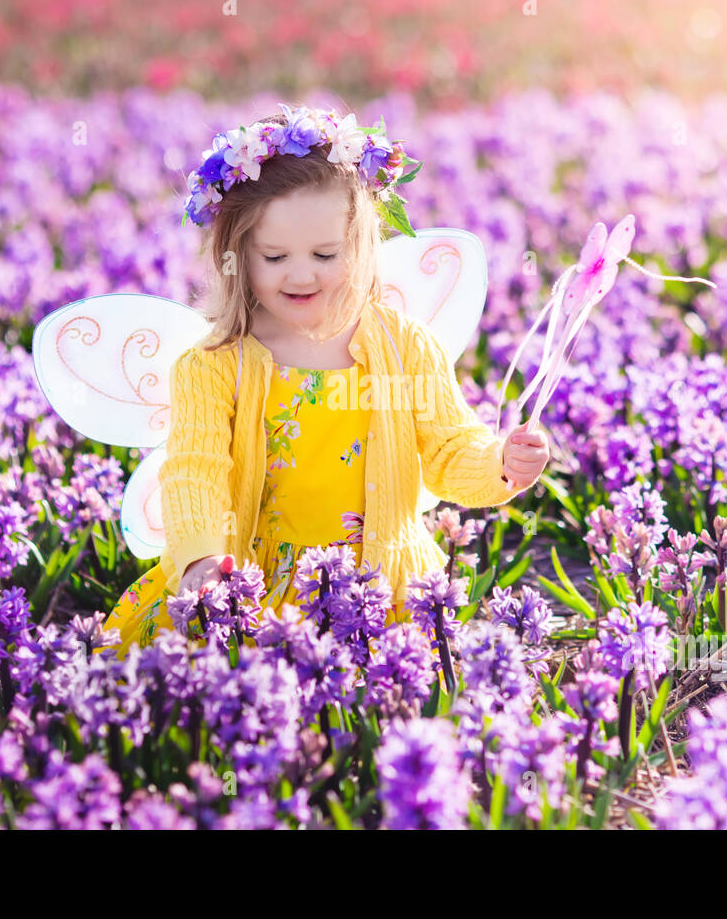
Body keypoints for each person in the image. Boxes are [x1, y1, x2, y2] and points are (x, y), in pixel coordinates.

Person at [96, 104, 548, 658]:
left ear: (361, 247)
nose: (302, 273)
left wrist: (499, 462)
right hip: (253, 584)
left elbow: (450, 450)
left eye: (325, 254)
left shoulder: (404, 345)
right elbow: (195, 472)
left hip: (381, 589)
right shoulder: (214, 364)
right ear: (236, 256)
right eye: (275, 256)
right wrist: (199, 557)